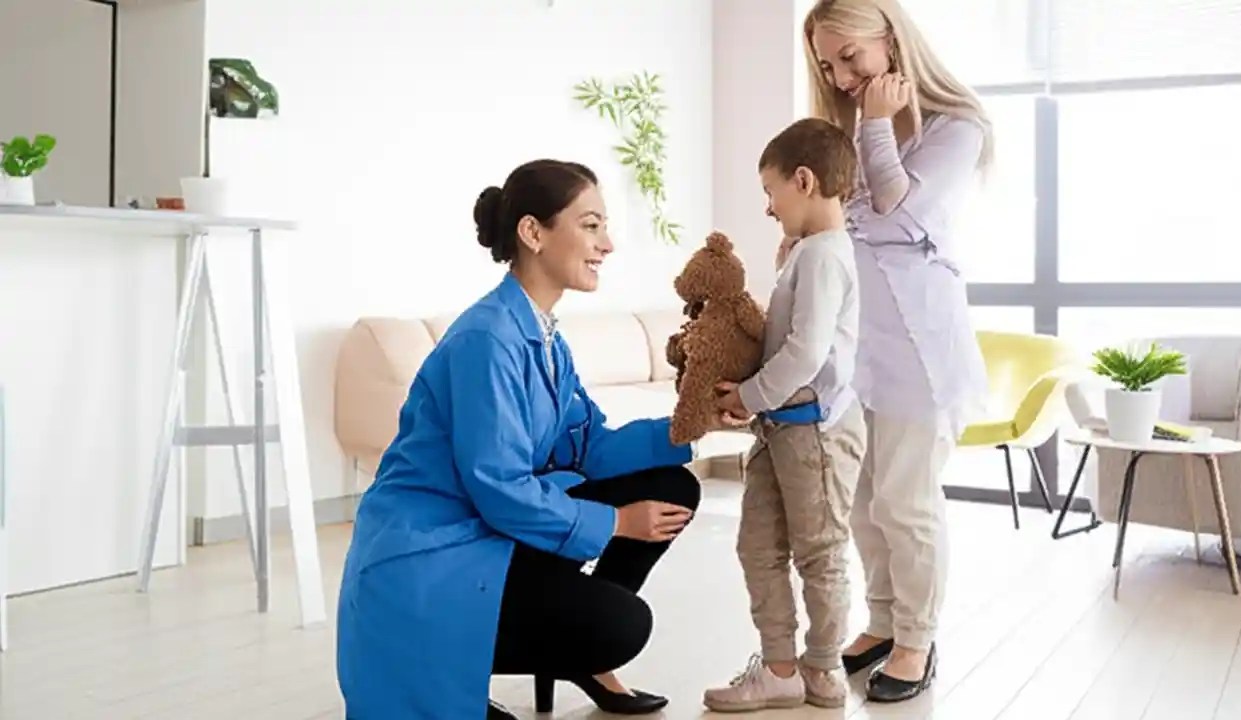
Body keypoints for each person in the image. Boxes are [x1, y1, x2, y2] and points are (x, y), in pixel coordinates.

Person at [335, 159, 719, 719]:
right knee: (620, 625)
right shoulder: (487, 340)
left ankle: (571, 647)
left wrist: (696, 421)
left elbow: (590, 448)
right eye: (590, 225)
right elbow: (499, 487)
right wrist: (615, 523)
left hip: (483, 534)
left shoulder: (542, 335)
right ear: (533, 233)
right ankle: (462, 661)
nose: (607, 243)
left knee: (670, 485)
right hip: (431, 555)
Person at [791, 0, 996, 704]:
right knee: (861, 498)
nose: (841, 75)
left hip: (918, 345)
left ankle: (916, 637)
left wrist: (875, 125)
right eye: (828, 64)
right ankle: (880, 620)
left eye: (851, 56)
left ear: (892, 41)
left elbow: (894, 210)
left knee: (906, 502)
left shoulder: (956, 128)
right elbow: (831, 227)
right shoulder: (838, 134)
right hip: (855, 347)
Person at [701, 117, 867, 712]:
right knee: (758, 545)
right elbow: (788, 337)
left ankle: (822, 668)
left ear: (803, 180)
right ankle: (779, 667)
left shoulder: (824, 256)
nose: (769, 207)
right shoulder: (808, 254)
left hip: (815, 435)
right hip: (783, 432)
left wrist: (747, 397)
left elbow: (804, 353)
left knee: (819, 552)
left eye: (771, 192)